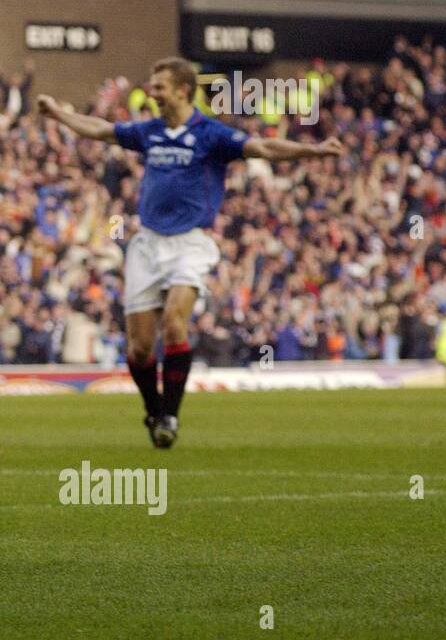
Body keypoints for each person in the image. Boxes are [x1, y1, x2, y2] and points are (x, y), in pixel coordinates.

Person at [38, 58, 345, 447]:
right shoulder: (149, 131)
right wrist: (59, 115)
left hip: (190, 243)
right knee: (140, 347)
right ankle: (154, 410)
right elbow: (100, 130)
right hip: (147, 243)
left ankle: (170, 414)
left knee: (174, 321)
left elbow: (264, 146)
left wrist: (313, 151)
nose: (152, 92)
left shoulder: (210, 134)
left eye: (160, 86)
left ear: (183, 90)